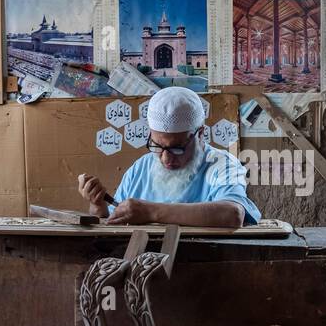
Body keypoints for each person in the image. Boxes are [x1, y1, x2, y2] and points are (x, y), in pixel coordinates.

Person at [77, 86, 261, 228]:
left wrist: (150, 212)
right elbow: (111, 220)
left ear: (200, 134)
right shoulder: (141, 167)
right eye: (157, 146)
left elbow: (233, 214)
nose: (165, 158)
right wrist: (98, 205)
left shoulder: (222, 165)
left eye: (177, 148)